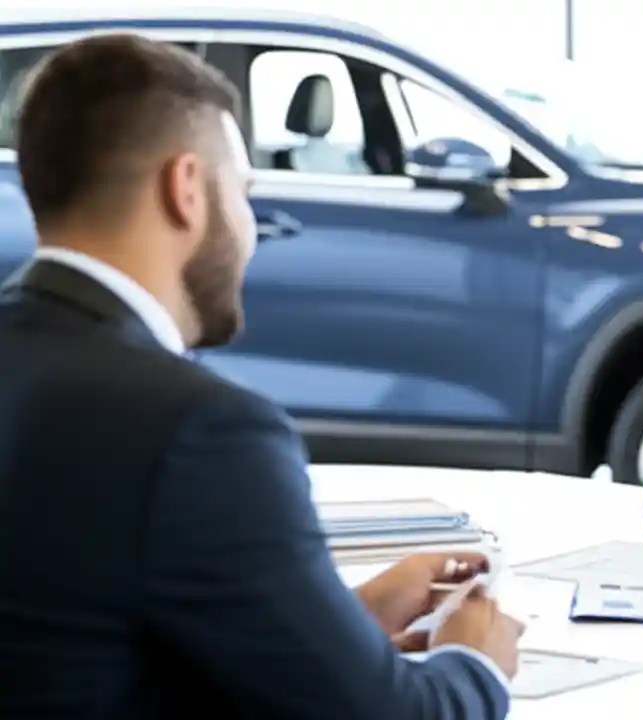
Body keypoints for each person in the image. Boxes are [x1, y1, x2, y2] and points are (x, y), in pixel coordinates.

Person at [0, 34, 521, 718]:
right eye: (243, 193)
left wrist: (345, 623)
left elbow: (85, 646)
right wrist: (474, 660)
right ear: (186, 189)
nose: (251, 228)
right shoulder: (200, 429)